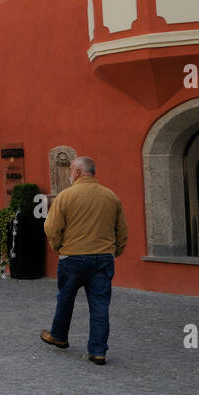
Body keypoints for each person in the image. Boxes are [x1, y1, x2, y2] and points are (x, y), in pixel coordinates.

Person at [40, 156, 128, 365]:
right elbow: (122, 230)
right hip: (103, 256)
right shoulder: (110, 196)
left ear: (77, 172)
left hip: (73, 256)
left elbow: (51, 228)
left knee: (65, 299)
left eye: (71, 170)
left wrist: (58, 246)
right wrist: (114, 251)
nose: (71, 174)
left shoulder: (66, 196)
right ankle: (98, 351)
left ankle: (59, 336)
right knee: (100, 304)